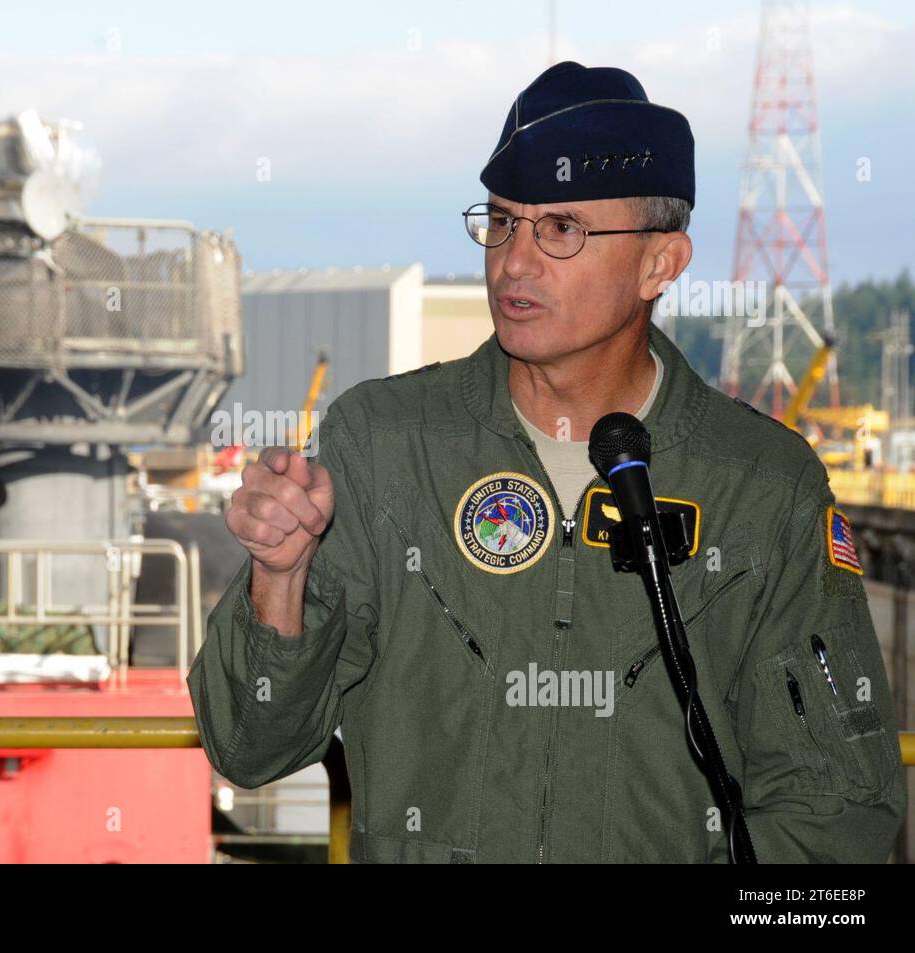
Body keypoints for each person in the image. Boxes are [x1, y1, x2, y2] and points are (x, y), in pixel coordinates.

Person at [187, 61, 907, 862]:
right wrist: (278, 582)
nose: (514, 261)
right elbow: (246, 747)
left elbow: (838, 811)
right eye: (501, 221)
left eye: (560, 228)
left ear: (660, 264)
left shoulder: (762, 488)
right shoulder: (385, 445)